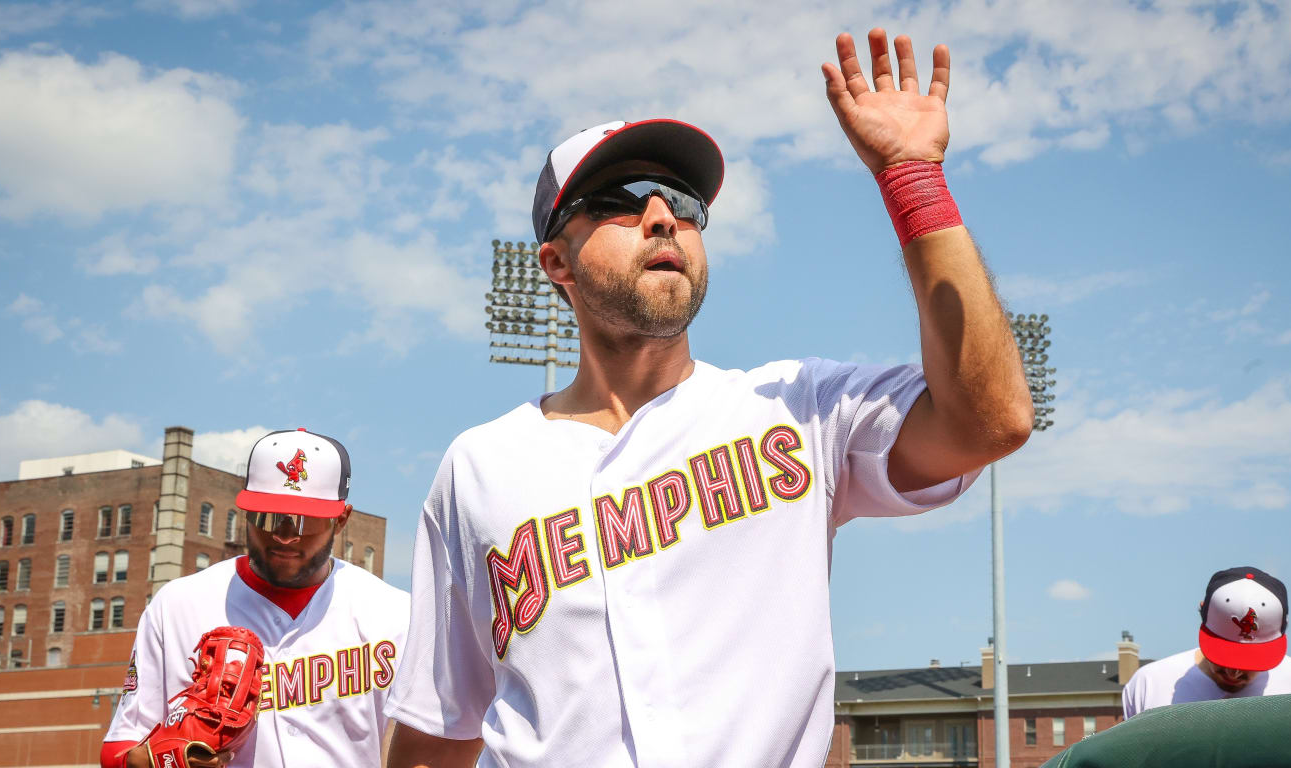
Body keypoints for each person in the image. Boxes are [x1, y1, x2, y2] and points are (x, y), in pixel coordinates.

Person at [384, 28, 1034, 768]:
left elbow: (993, 420)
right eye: (622, 200)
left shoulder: (797, 409)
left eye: (685, 203)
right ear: (554, 261)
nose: (664, 216)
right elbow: (437, 730)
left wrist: (913, 178)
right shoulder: (478, 469)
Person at [101, 428, 411, 768]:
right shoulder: (177, 606)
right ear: (246, 510)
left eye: (304, 520)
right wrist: (158, 761)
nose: (285, 535)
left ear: (341, 520)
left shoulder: (393, 613)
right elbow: (119, 748)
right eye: (268, 517)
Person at [1122, 566, 1291, 718]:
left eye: (1249, 661)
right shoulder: (1149, 685)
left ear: (1283, 627)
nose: (1233, 673)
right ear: (1202, 612)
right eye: (1224, 656)